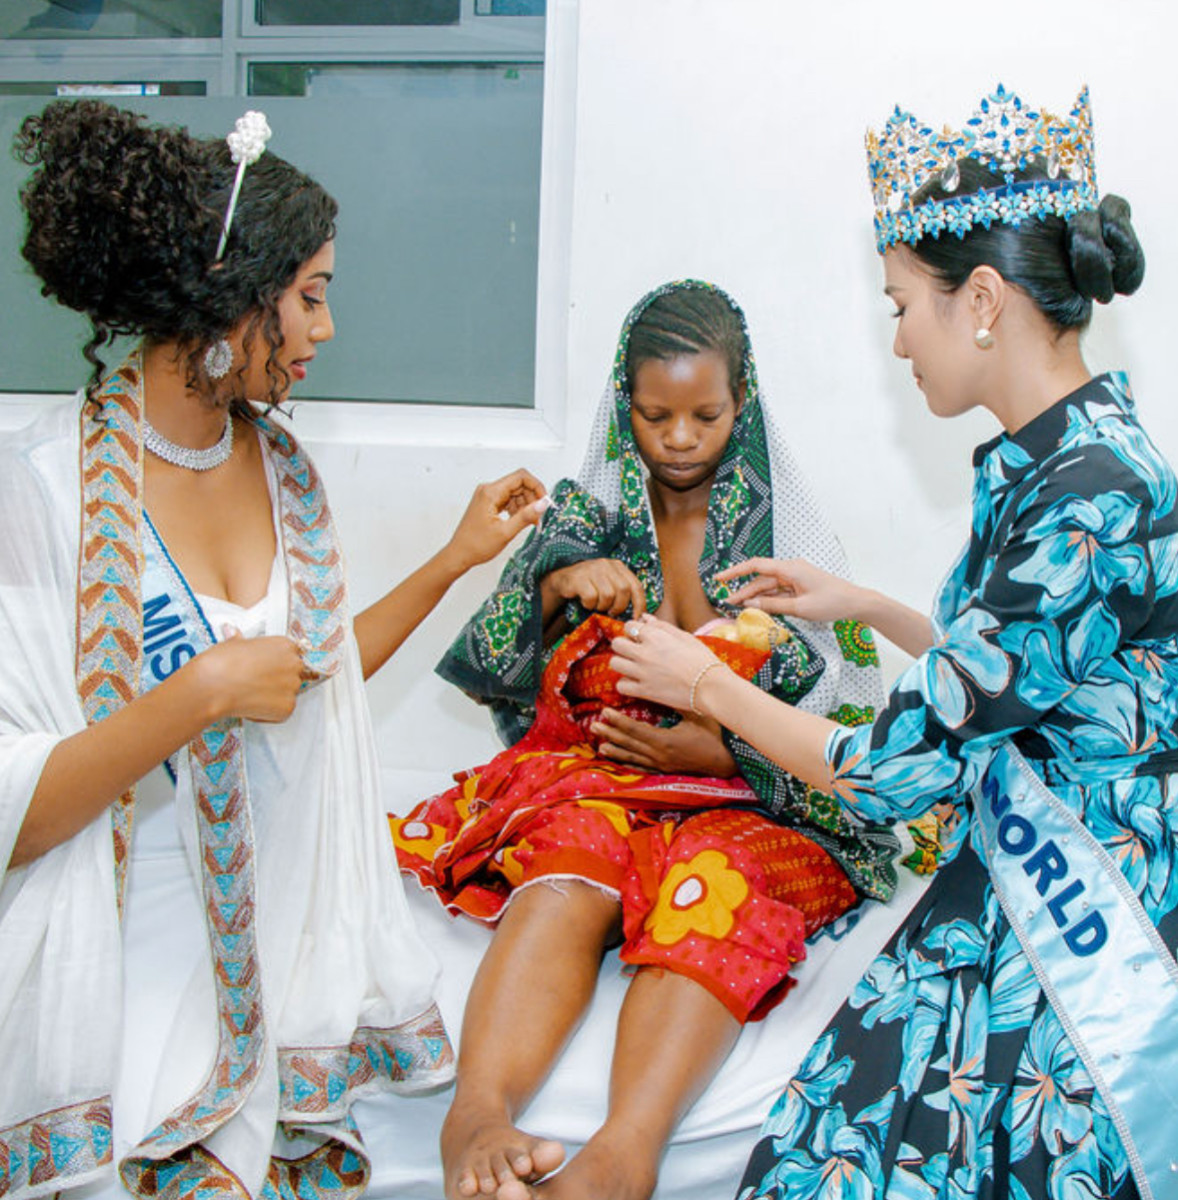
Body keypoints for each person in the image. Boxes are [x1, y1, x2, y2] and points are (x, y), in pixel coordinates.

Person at [610, 86, 1178, 1200]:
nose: (895, 340)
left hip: (1077, 923)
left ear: (978, 302)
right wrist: (865, 604)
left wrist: (702, 686)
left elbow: (891, 770)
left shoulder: (1086, 495)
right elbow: (1025, 673)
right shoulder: (1066, 455)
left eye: (899, 305)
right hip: (1027, 868)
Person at [0, 99, 547, 1200]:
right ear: (222, 297)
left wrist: (450, 563)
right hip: (117, 930)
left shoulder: (285, 471)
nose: (323, 330)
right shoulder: (45, 488)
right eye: (308, 295)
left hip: (266, 927)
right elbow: (18, 810)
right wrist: (199, 693)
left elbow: (313, 688)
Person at [392, 280, 903, 1200]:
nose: (677, 437)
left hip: (750, 797)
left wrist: (723, 754)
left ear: (742, 404)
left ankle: (625, 1151)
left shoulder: (784, 540)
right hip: (608, 777)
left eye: (705, 414)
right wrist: (559, 581)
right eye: (654, 414)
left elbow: (848, 718)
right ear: (623, 405)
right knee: (568, 867)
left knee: (718, 884)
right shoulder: (594, 517)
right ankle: (477, 1108)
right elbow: (499, 647)